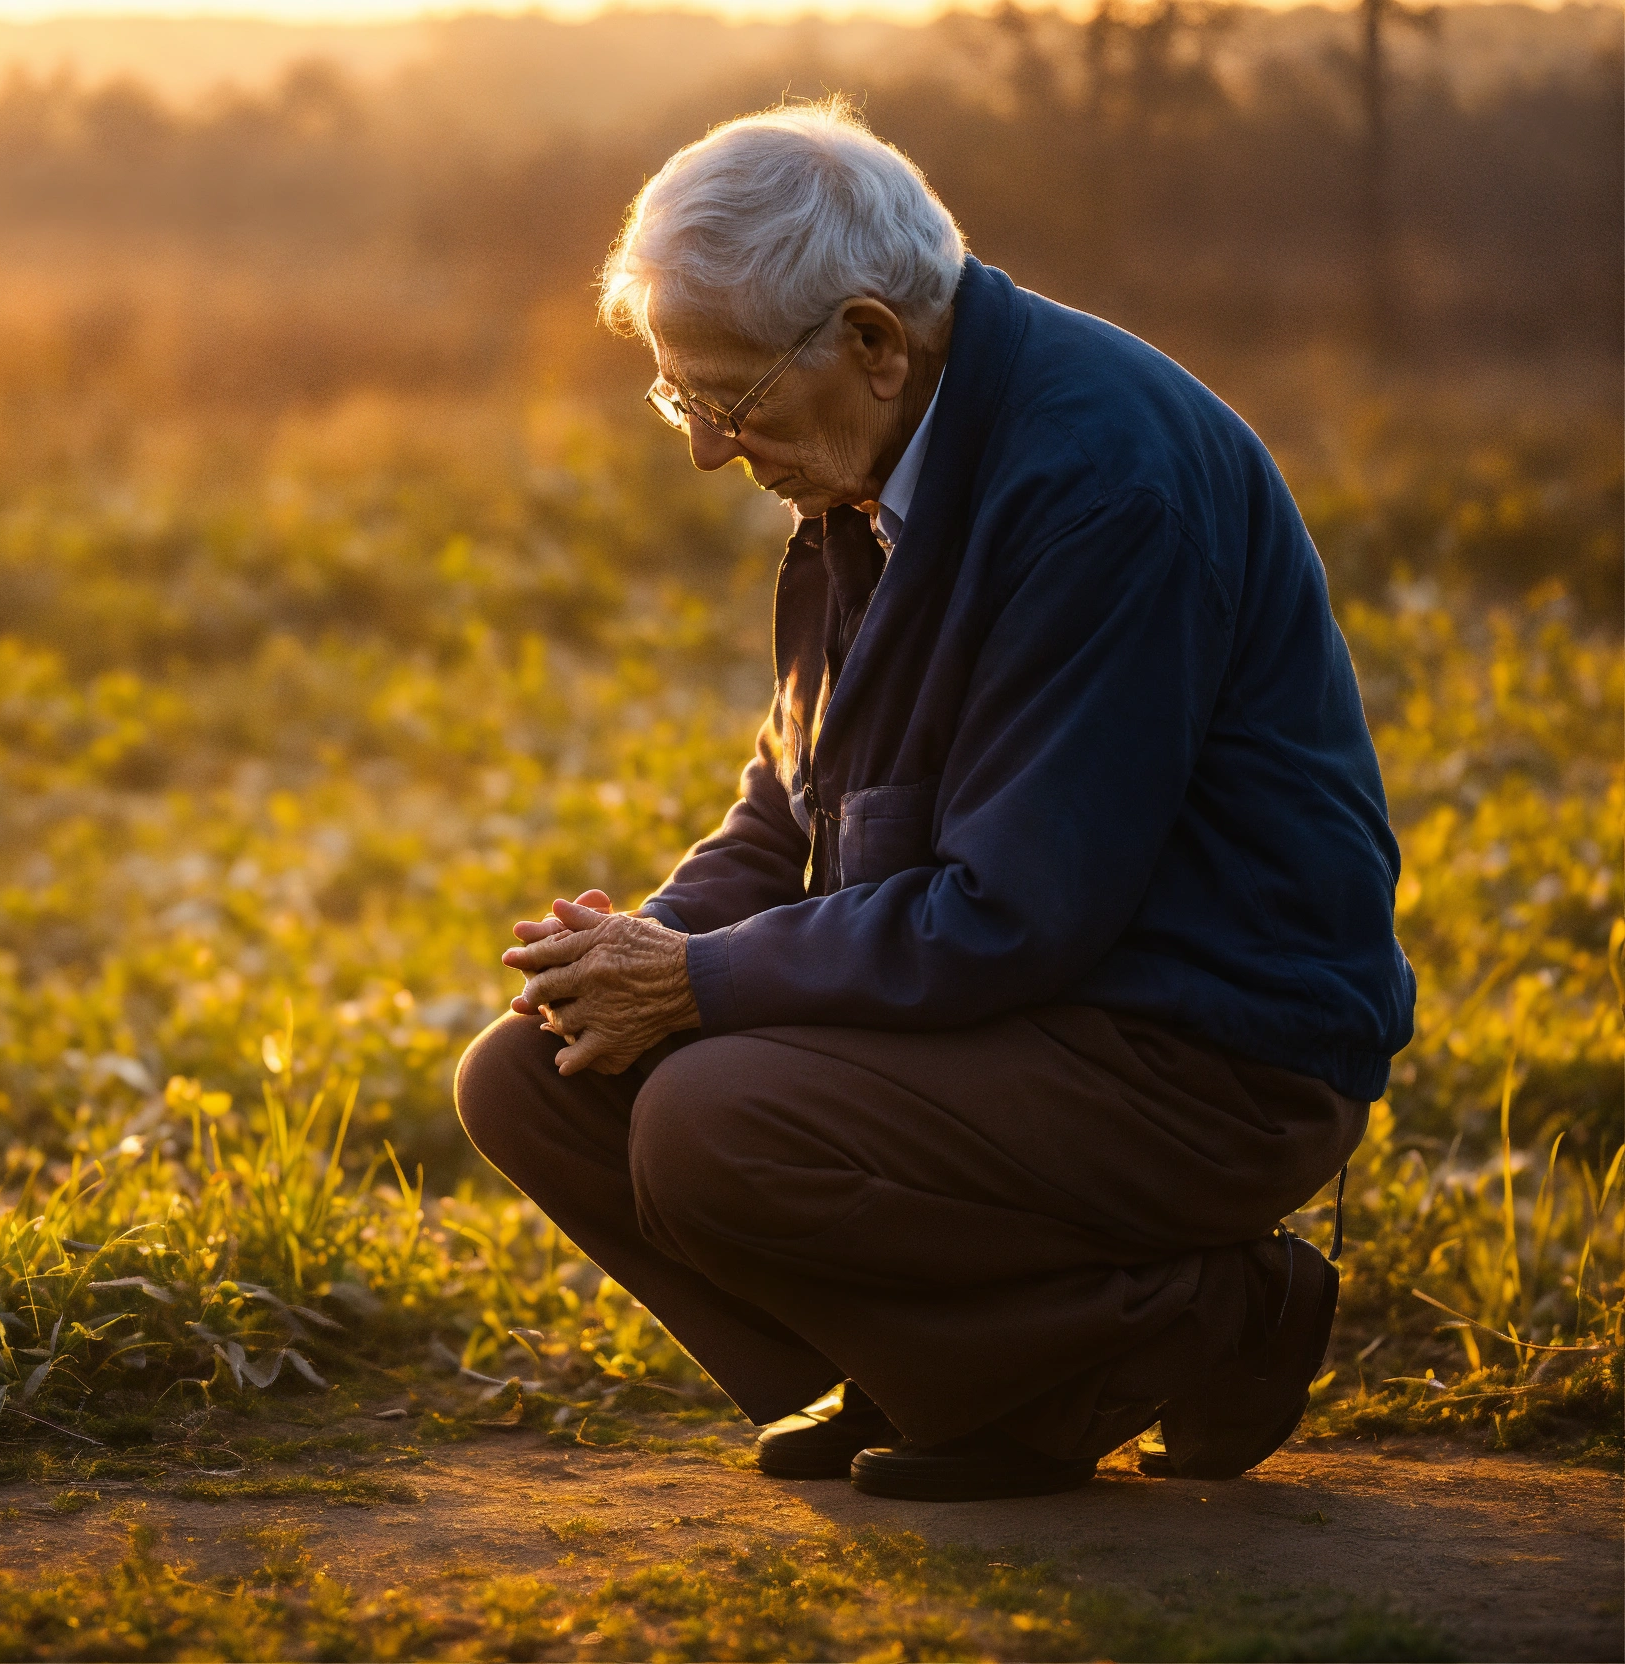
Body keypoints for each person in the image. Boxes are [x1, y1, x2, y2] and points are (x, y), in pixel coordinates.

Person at [452, 98, 1414, 1502]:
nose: (712, 449)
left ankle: (1196, 1324)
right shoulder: (873, 466)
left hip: (1198, 1052)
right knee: (534, 1079)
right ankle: (942, 1376)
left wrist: (704, 983)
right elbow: (795, 800)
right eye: (682, 398)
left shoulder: (1099, 488)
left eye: (730, 400)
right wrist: (632, 959)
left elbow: (1017, 915)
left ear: (872, 340)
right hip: (1015, 1012)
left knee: (714, 1123)